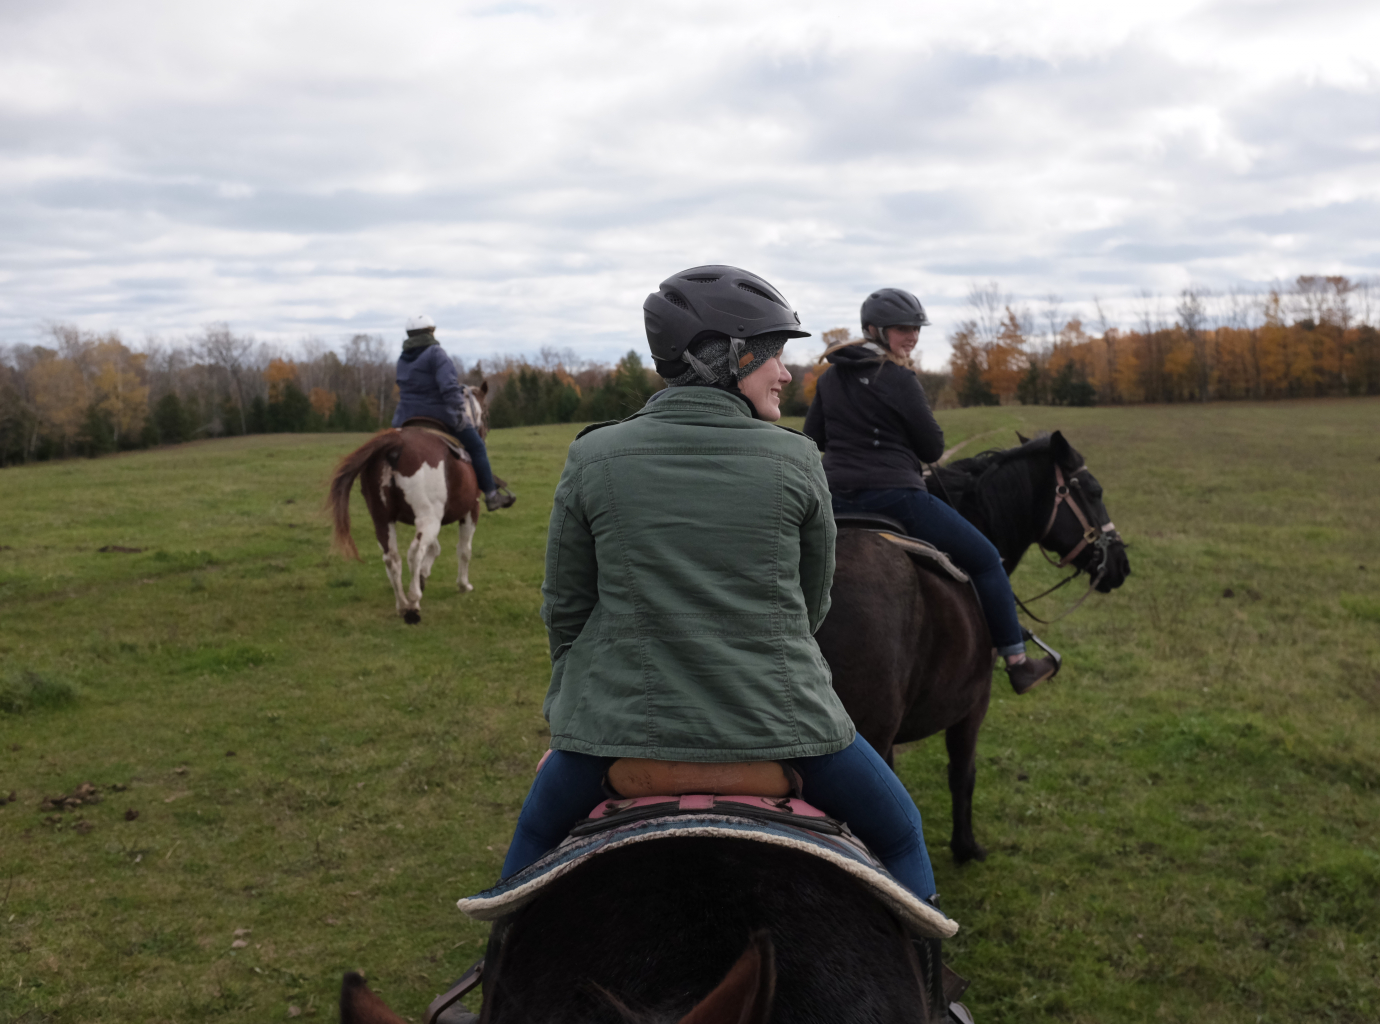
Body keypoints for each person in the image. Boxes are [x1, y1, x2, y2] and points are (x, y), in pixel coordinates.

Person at [499, 266, 937, 907]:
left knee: (535, 842)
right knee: (899, 833)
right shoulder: (797, 458)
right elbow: (812, 604)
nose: (785, 373)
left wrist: (581, 705)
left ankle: (495, 945)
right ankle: (927, 959)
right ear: (728, 358)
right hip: (787, 724)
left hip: (614, 725)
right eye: (773, 354)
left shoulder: (593, 455)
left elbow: (566, 607)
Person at [804, 287, 1059, 695]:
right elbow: (933, 448)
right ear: (875, 330)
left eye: (916, 329)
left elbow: (815, 434)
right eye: (903, 329)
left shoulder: (831, 377)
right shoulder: (900, 378)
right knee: (986, 559)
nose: (912, 336)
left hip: (836, 499)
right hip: (896, 498)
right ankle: (1017, 661)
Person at [391, 315, 514, 511]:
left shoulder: (402, 359)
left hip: (405, 418)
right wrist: (459, 414)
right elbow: (449, 388)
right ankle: (492, 495)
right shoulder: (436, 353)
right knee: (477, 447)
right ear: (431, 332)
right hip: (437, 415)